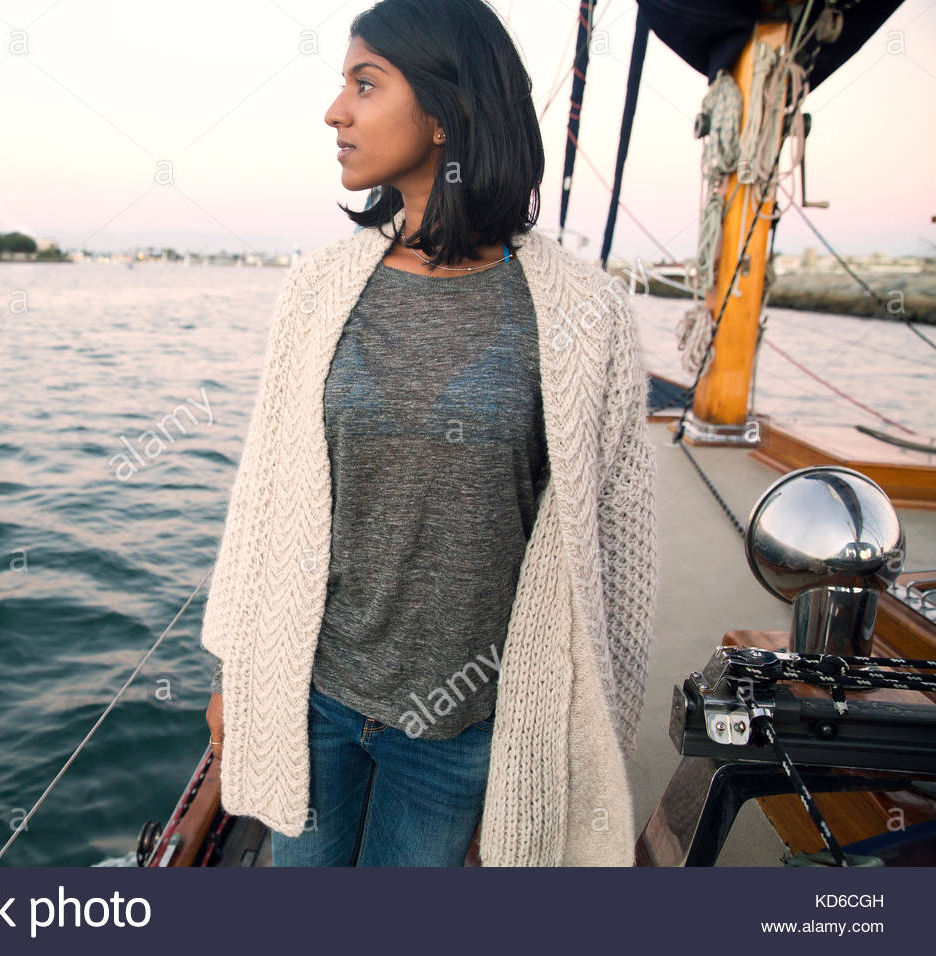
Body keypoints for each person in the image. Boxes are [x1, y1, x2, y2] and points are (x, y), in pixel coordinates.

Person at [203, 0, 658, 867]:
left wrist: (556, 760)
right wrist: (233, 676)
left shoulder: (585, 314)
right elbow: (262, 502)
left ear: (447, 110)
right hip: (314, 697)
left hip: (462, 727)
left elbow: (615, 566)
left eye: (364, 84)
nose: (335, 111)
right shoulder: (317, 288)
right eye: (342, 85)